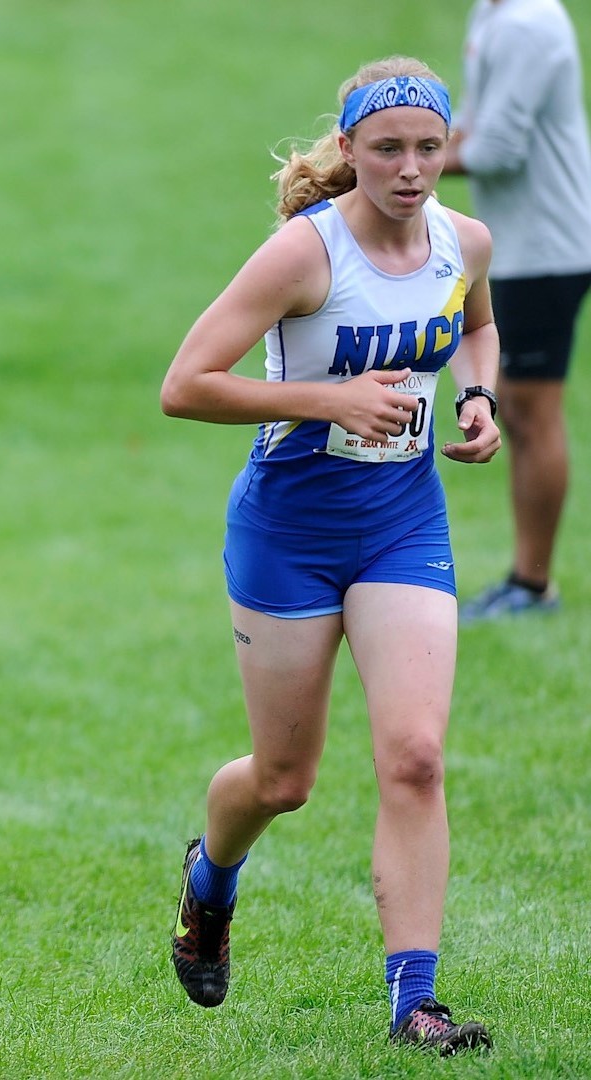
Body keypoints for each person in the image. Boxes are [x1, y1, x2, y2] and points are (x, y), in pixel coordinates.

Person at [159, 57, 499, 1054]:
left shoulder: (464, 240)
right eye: (387, 149)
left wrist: (475, 398)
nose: (410, 170)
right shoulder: (302, 256)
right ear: (347, 151)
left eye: (429, 149)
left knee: (416, 754)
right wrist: (330, 398)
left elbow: (476, 329)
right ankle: (209, 882)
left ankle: (415, 1004)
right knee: (282, 779)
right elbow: (185, 384)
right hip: (288, 534)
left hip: (403, 522)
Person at [446, 0, 591, 621]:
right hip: (517, 248)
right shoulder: (495, 14)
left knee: (531, 414)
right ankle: (525, 579)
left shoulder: (528, 22)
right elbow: (478, 127)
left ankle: (532, 586)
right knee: (521, 408)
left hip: (544, 250)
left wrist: (384, 160)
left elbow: (497, 148)